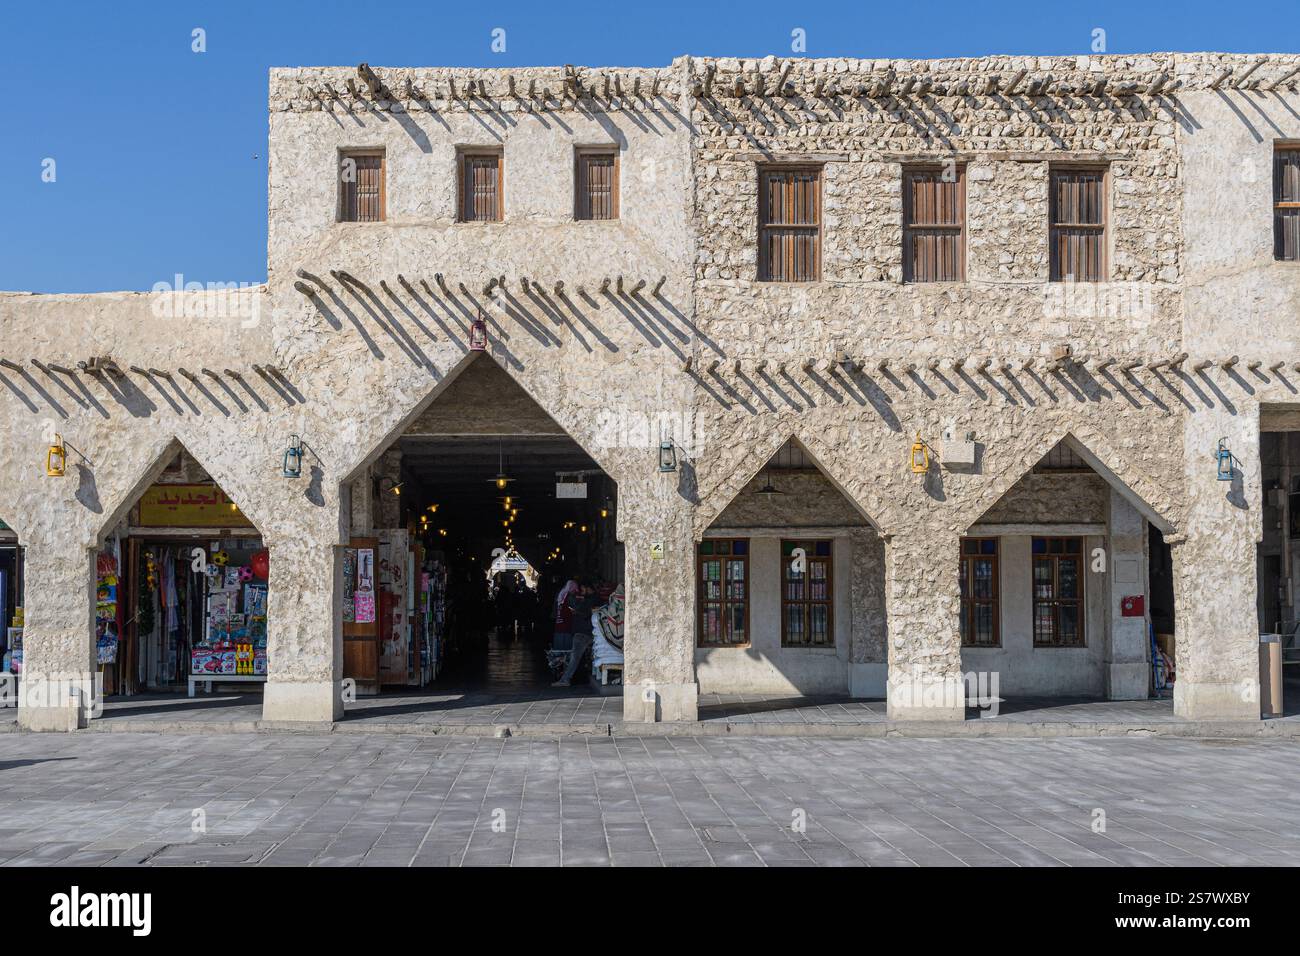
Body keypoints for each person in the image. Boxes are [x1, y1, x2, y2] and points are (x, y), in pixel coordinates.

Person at [552, 575, 600, 687]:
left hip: (583, 632)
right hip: (584, 631)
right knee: (577, 657)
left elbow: (586, 613)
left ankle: (565, 679)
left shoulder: (593, 599)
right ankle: (569, 678)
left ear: (588, 588)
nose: (581, 591)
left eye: (583, 589)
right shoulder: (590, 599)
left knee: (574, 657)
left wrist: (576, 611)